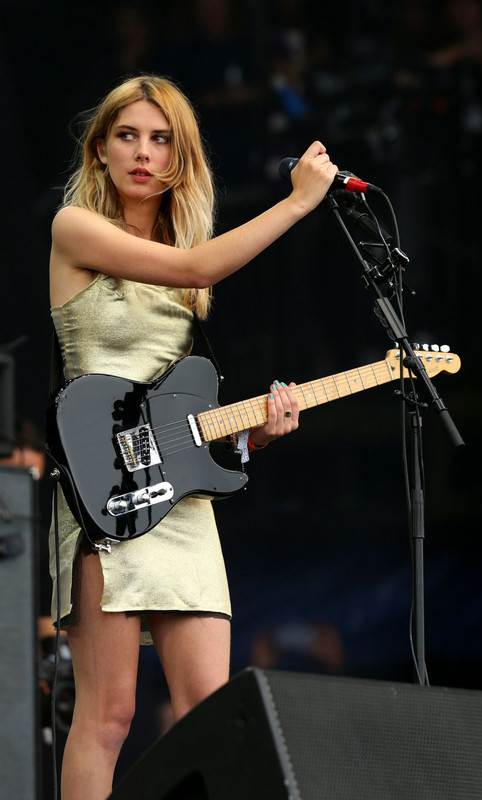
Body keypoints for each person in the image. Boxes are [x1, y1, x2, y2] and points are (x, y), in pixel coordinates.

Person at [48, 73, 337, 800]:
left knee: (213, 714)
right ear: (101, 150)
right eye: (127, 136)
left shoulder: (189, 274)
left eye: (161, 139)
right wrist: (300, 201)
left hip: (179, 504)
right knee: (108, 716)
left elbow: (181, 418)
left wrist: (253, 438)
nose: (143, 153)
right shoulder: (75, 228)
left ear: (178, 158)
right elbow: (198, 263)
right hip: (100, 487)